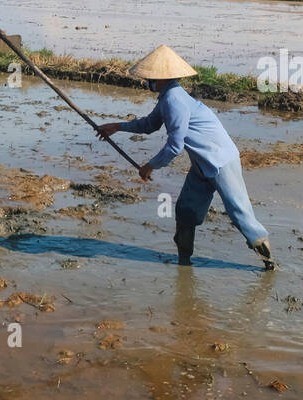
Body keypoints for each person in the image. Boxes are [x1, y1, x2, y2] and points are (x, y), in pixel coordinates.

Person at [97, 44, 275, 270]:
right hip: (202, 164)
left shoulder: (174, 101)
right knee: (185, 211)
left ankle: (268, 261)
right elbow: (149, 124)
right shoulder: (168, 97)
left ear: (160, 78)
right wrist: (117, 126)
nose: (146, 82)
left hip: (220, 161)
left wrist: (150, 166)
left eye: (149, 78)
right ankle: (184, 263)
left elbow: (174, 146)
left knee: (240, 213)